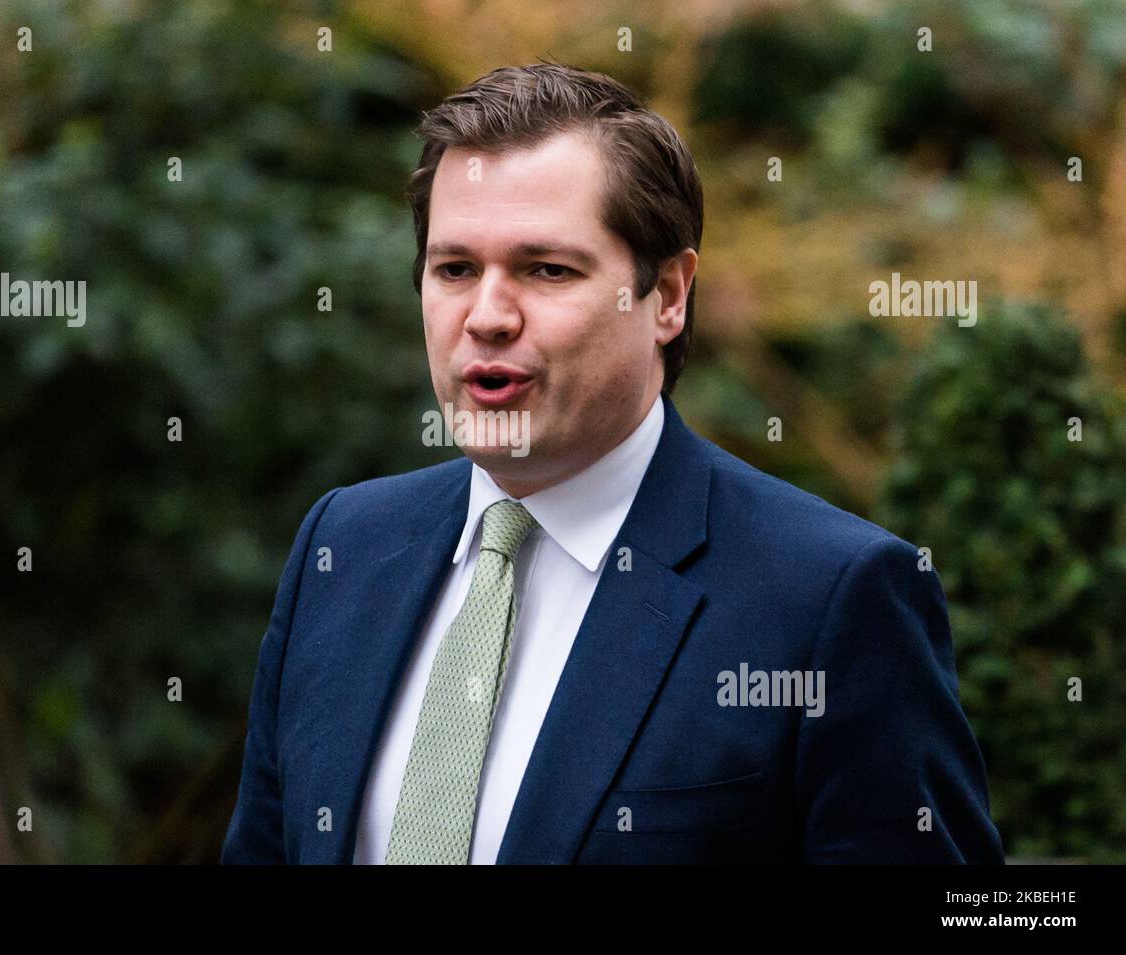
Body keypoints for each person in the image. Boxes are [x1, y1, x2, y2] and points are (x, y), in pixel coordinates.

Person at [221, 62, 1004, 864]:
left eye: (546, 270)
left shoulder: (831, 601)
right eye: (456, 269)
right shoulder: (341, 549)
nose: (487, 316)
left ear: (667, 295)